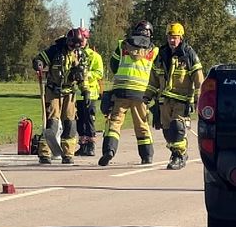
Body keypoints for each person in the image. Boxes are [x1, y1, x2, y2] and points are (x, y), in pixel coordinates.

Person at [98, 21, 159, 166]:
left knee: (115, 122)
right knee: (142, 125)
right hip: (141, 93)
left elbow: (113, 64)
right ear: (149, 33)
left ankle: (109, 151)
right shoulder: (153, 50)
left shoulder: (123, 44)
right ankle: (147, 156)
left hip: (121, 90)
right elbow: (157, 73)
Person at [150, 22, 204, 170]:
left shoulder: (188, 54)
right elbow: (153, 77)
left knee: (177, 128)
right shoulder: (161, 54)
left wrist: (199, 99)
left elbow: (199, 79)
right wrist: (147, 96)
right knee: (167, 132)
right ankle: (177, 152)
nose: (171, 41)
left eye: (174, 37)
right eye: (169, 37)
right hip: (164, 103)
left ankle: (179, 156)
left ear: (181, 37)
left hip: (182, 101)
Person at [32, 28, 89, 164]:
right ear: (68, 42)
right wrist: (38, 64)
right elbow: (40, 59)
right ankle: (45, 153)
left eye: (77, 46)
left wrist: (85, 91)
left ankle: (68, 154)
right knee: (52, 122)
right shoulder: (55, 50)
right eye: (71, 45)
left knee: (70, 123)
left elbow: (83, 76)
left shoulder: (81, 55)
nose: (73, 49)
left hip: (70, 92)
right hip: (54, 91)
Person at [73, 27, 105, 156]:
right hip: (77, 93)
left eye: (84, 38)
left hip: (90, 93)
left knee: (89, 120)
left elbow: (99, 72)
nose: (81, 41)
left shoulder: (94, 56)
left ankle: (91, 145)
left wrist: (85, 74)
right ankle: (82, 145)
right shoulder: (73, 54)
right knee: (79, 121)